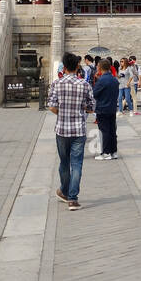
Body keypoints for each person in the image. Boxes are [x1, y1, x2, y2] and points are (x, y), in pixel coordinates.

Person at [48, 52, 95, 209]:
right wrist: (81, 108)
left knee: (64, 162)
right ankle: (72, 199)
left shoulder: (57, 83)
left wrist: (63, 113)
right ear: (77, 67)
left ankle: (65, 191)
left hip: (61, 129)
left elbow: (52, 106)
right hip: (78, 131)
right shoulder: (85, 85)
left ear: (64, 67)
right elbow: (91, 108)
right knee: (77, 164)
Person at [92, 58, 120, 159]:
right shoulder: (114, 79)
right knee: (112, 130)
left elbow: (94, 94)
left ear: (100, 67)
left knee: (104, 131)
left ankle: (106, 152)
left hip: (103, 108)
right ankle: (114, 151)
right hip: (112, 108)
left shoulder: (102, 80)